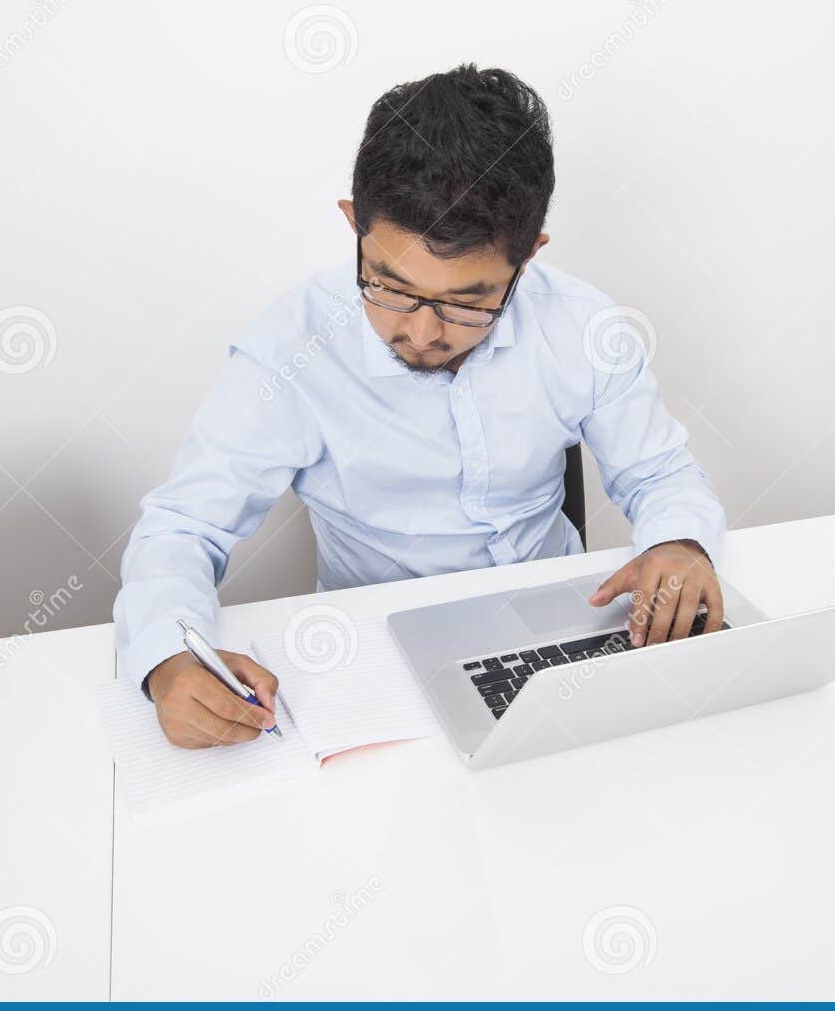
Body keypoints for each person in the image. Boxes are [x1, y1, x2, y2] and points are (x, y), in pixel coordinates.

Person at [115, 63, 727, 749]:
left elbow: (661, 475)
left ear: (527, 259)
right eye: (389, 285)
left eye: (468, 301)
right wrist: (168, 658)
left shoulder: (581, 325)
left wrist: (679, 542)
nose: (423, 331)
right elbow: (182, 528)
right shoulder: (290, 350)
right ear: (354, 226)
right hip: (378, 660)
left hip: (566, 630)